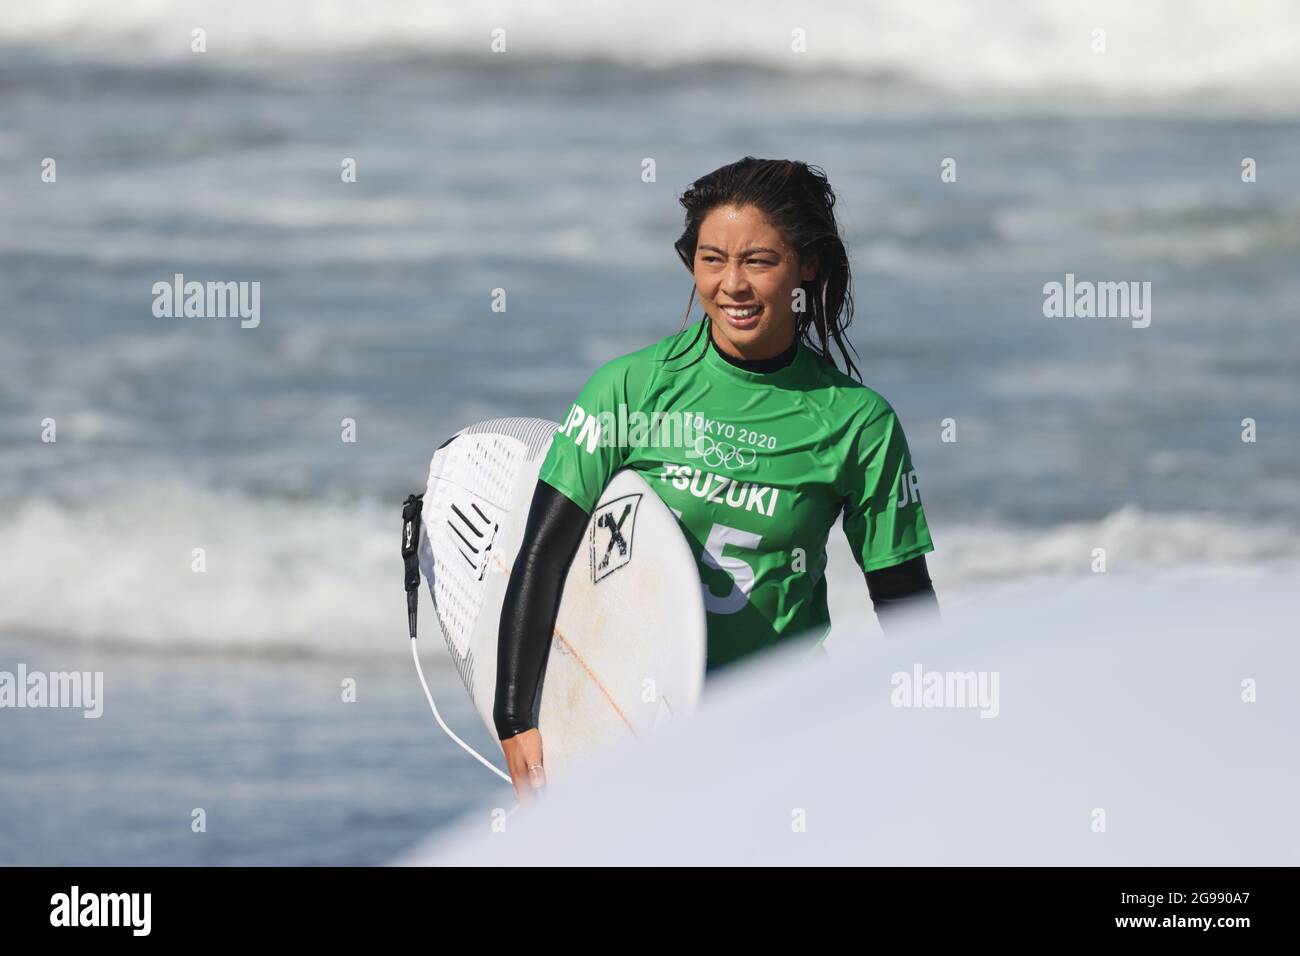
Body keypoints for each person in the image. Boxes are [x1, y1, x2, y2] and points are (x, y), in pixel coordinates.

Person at [495, 157, 939, 802]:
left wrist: (935, 732)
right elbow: (544, 554)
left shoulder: (857, 422)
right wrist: (517, 717)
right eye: (711, 260)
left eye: (758, 261)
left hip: (784, 725)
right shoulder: (631, 388)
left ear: (806, 266)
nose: (732, 284)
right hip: (633, 723)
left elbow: (902, 601)